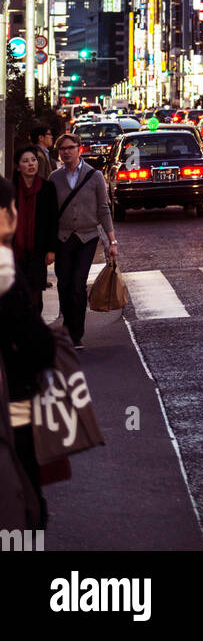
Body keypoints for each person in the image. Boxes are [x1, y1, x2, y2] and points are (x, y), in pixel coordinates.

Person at [0, 177, 56, 529]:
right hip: (13, 392)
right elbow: (34, 340)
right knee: (22, 460)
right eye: (13, 208)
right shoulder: (4, 271)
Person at [50, 134, 117, 351]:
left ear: (79, 149)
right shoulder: (54, 178)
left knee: (78, 284)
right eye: (62, 149)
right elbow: (49, 213)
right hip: (62, 237)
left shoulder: (94, 176)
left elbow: (103, 209)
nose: (66, 152)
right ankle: (67, 326)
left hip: (87, 237)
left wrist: (112, 240)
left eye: (70, 148)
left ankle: (76, 334)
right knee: (64, 283)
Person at [12, 147, 58, 314]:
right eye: (25, 161)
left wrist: (51, 250)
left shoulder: (47, 188)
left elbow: (53, 221)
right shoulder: (9, 190)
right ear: (18, 167)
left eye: (33, 160)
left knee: (35, 295)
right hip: (13, 252)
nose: (31, 164)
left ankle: (33, 333)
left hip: (38, 250)